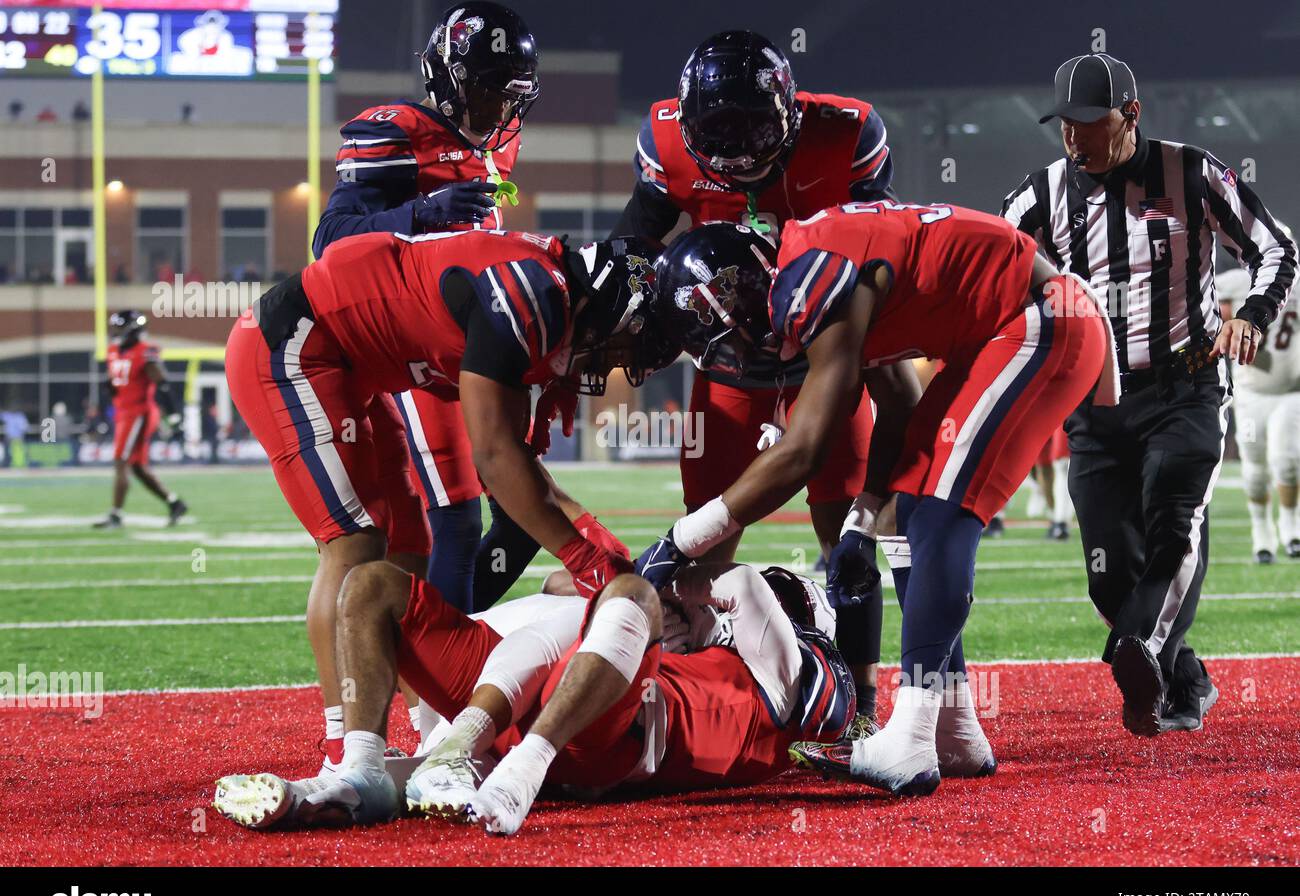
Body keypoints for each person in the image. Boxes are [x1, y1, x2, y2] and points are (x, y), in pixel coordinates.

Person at [641, 205, 1111, 797]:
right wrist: (862, 524)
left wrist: (680, 540)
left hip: (1039, 319)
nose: (743, 352)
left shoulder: (808, 279)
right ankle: (954, 727)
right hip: (1006, 327)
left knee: (941, 510)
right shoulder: (817, 265)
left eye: (733, 333)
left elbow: (805, 451)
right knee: (908, 514)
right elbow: (898, 407)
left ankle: (909, 741)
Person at [224, 226, 672, 773]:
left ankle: (427, 730)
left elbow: (522, 473)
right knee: (354, 541)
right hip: (294, 344)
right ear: (607, 309)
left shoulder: (547, 298)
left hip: (357, 368)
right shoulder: (529, 294)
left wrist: (599, 548)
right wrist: (582, 559)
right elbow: (496, 459)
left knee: (411, 541)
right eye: (623, 346)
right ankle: (342, 747)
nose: (614, 365)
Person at [1001, 53, 1297, 735]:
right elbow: (992, 263)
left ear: (1130, 115)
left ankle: (1137, 654)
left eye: (1088, 123)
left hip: (1184, 388)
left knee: (1173, 522)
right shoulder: (1042, 192)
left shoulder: (1190, 172)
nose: (1073, 139)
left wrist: (1249, 315)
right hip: (1093, 402)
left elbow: (1275, 248)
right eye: (1064, 126)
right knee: (1108, 575)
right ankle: (1182, 674)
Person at [613, 30, 895, 735]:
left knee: (850, 540)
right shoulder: (667, 138)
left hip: (823, 358)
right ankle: (701, 689)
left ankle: (859, 703)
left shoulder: (846, 133)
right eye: (720, 134)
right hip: (729, 365)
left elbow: (882, 255)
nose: (739, 150)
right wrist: (629, 319)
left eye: (755, 130)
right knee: (708, 545)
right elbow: (632, 251)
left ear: (790, 112)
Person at [212, 561, 854, 834]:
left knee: (628, 597)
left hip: (579, 735)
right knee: (372, 586)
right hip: (551, 717)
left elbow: (736, 579)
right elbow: (563, 592)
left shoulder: (768, 678)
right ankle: (349, 778)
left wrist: (683, 589)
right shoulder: (760, 723)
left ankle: (446, 756)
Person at [313, 1, 543, 616]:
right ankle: (447, 678)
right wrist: (422, 214)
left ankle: (444, 641)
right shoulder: (395, 132)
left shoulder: (505, 136)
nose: (502, 110)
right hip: (415, 346)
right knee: (459, 521)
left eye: (512, 94)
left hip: (482, 342)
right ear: (449, 78)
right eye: (490, 92)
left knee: (522, 522)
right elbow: (329, 239)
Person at [1217, 243, 1300, 562]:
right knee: (1253, 469)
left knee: (1287, 460)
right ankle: (1262, 534)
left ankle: (1291, 530)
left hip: (1291, 391)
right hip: (1251, 393)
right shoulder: (1235, 283)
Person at [92, 311, 188, 528]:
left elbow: (162, 385)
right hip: (122, 413)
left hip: (139, 413)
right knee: (136, 466)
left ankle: (116, 515)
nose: (114, 332)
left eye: (118, 328)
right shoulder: (113, 351)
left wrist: (173, 419)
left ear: (131, 330)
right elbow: (115, 383)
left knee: (120, 460)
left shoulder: (145, 353)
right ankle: (174, 503)